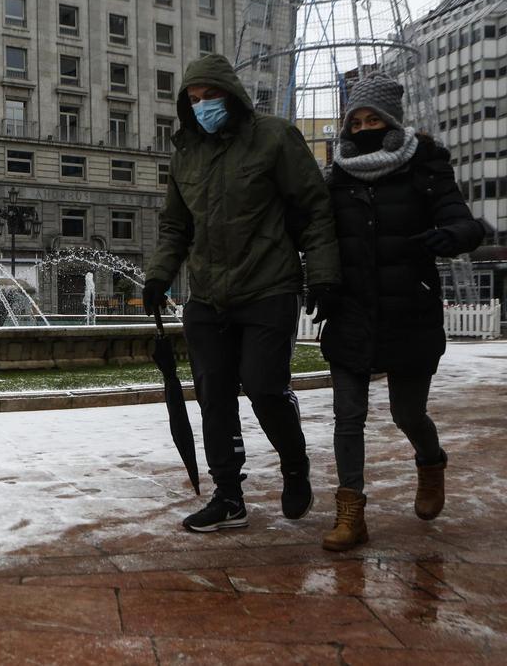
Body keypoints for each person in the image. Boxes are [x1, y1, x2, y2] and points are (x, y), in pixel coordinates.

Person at [143, 55, 342, 533]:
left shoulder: (274, 137)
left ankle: (294, 463)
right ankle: (228, 496)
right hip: (208, 295)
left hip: (268, 285)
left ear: (231, 94)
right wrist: (158, 276)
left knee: (264, 387)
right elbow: (175, 225)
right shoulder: (186, 153)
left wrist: (323, 275)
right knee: (213, 395)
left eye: (210, 96)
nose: (203, 106)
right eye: (194, 99)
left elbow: (314, 209)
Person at [319, 74, 487, 551]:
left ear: (392, 123)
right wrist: (319, 281)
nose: (363, 129)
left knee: (406, 412)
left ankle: (430, 463)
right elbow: (316, 233)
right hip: (350, 310)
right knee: (347, 416)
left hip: (409, 309)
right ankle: (351, 512)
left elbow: (462, 221)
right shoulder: (337, 175)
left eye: (373, 121)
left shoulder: (425, 166)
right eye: (356, 122)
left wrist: (453, 235)